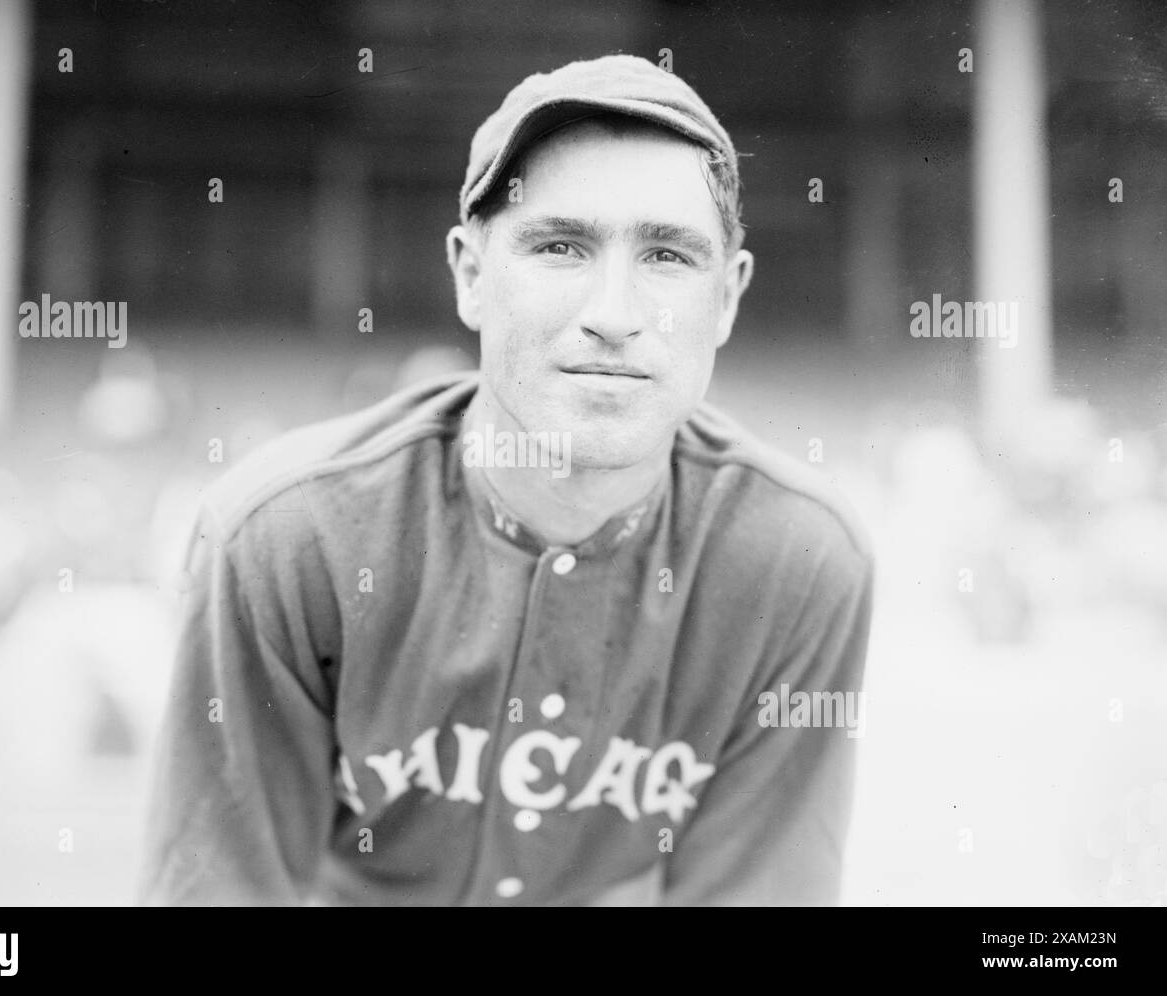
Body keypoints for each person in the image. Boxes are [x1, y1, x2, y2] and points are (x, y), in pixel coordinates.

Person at [138, 53, 875, 906]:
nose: (614, 314)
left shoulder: (801, 561)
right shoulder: (286, 537)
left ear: (729, 298)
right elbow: (219, 890)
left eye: (669, 257)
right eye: (560, 246)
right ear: (471, 275)